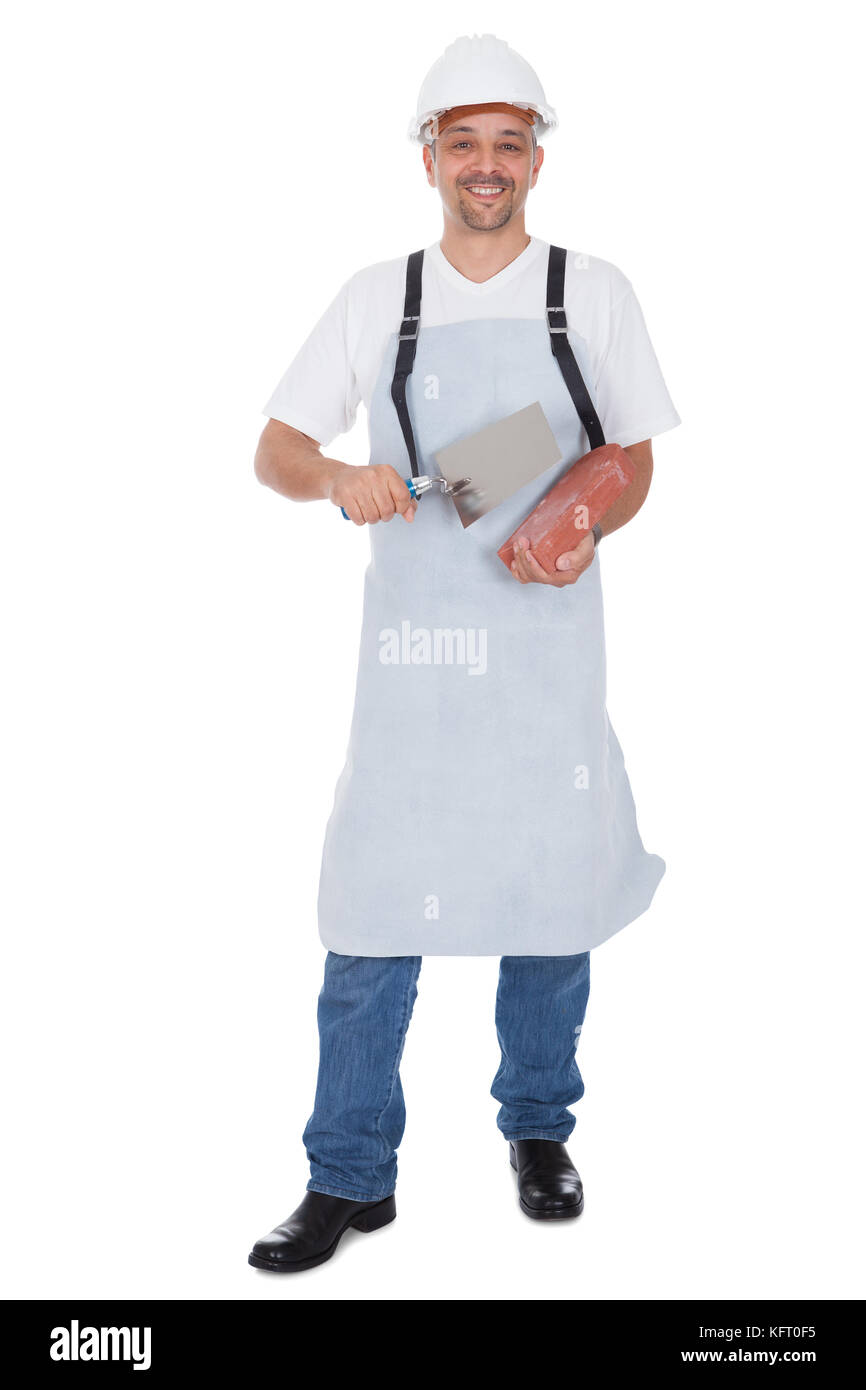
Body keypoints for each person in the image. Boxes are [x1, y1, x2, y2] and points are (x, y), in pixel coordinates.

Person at [248, 33, 681, 1273]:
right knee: (369, 913)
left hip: (544, 663)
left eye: (508, 142)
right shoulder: (373, 297)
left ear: (534, 155)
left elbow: (635, 459)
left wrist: (578, 520)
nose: (486, 165)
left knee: (549, 904)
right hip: (411, 686)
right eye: (463, 143)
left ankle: (538, 1131)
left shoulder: (586, 292)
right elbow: (272, 447)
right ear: (426, 156)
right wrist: (339, 475)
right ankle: (347, 1174)